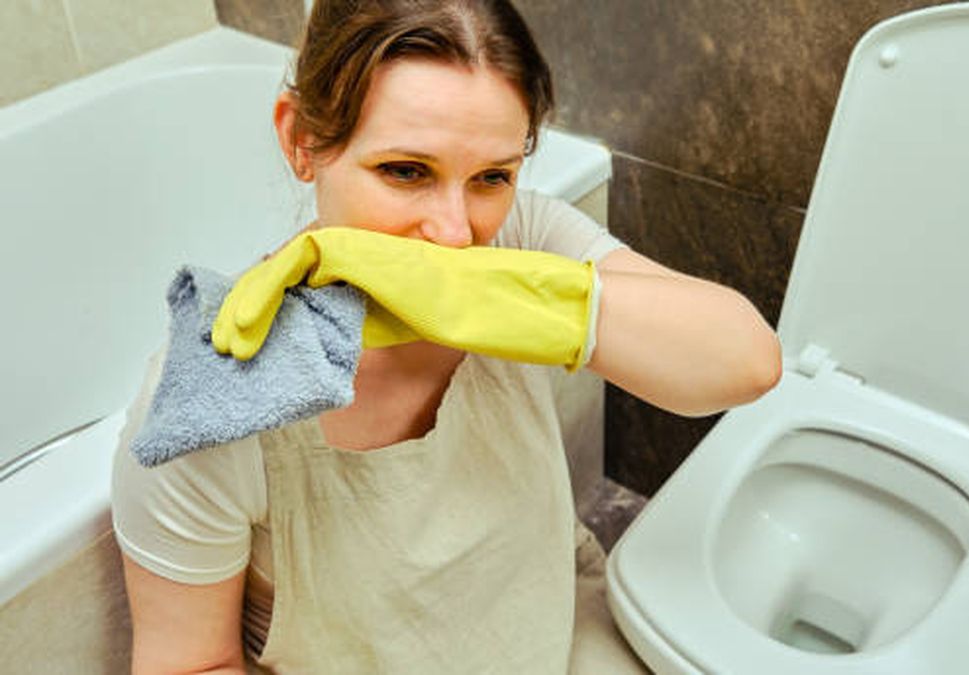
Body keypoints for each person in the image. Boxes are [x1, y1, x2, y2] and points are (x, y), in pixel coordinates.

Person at [111, 0, 782, 672]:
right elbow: (189, 663)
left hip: (554, 634)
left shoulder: (520, 238)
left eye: (492, 176)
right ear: (299, 140)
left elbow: (745, 362)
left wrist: (469, 294)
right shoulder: (214, 393)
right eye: (406, 171)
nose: (457, 233)